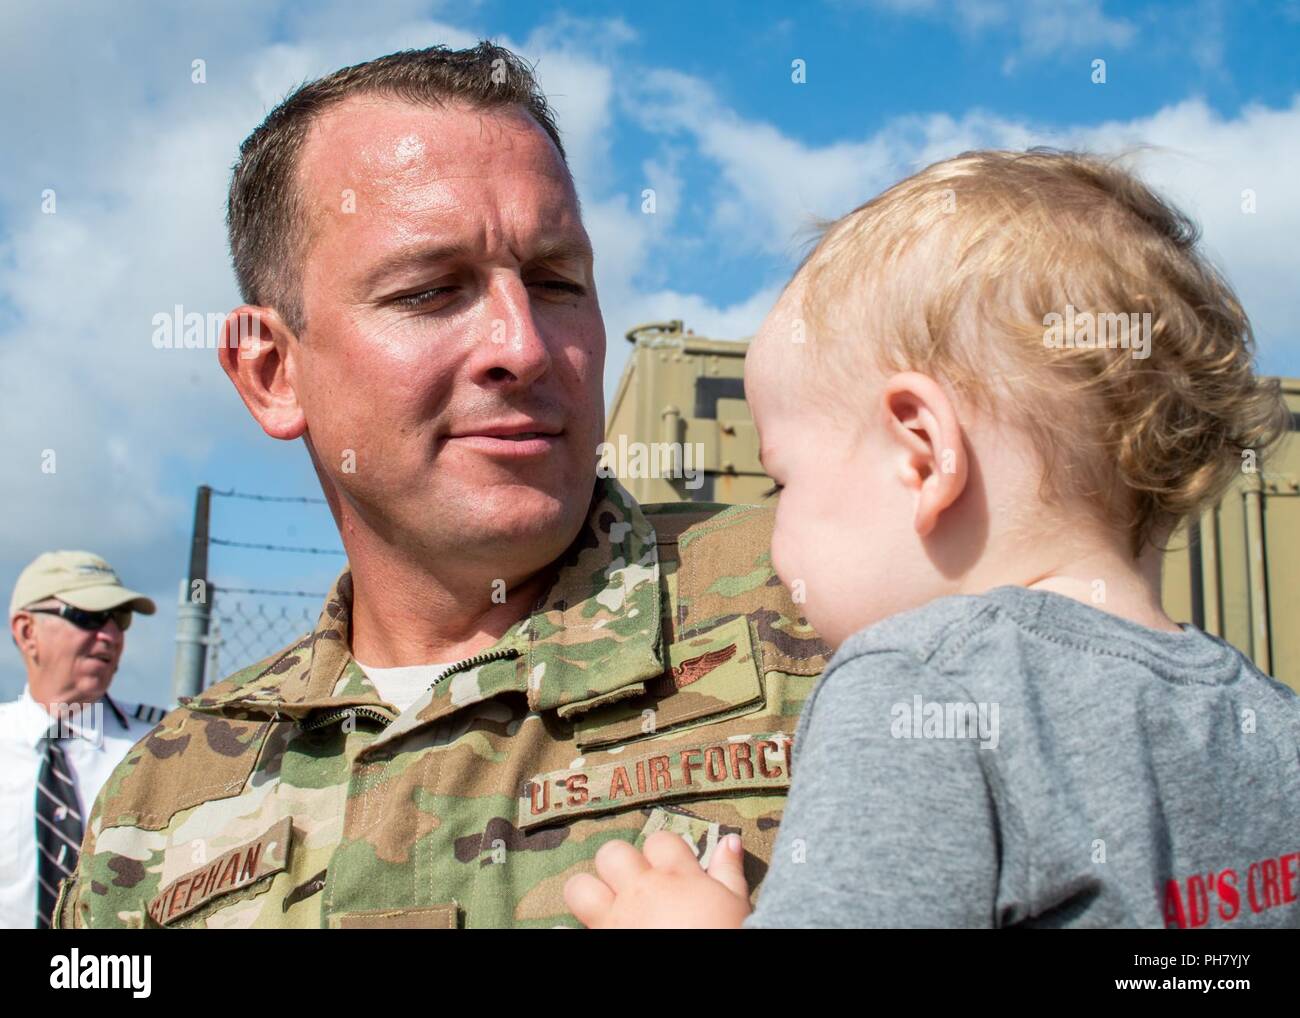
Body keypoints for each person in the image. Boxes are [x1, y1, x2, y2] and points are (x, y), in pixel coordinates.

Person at [54, 43, 827, 929]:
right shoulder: (154, 810)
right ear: (272, 370)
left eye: (556, 281)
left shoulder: (825, 614)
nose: (525, 346)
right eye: (429, 292)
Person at [563, 150, 1300, 929]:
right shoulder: (1269, 719)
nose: (772, 535)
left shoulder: (915, 687)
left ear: (922, 455)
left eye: (784, 483)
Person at [0, 550, 162, 928]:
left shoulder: (161, 747)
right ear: (27, 631)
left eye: (119, 619)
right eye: (86, 617)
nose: (109, 635)